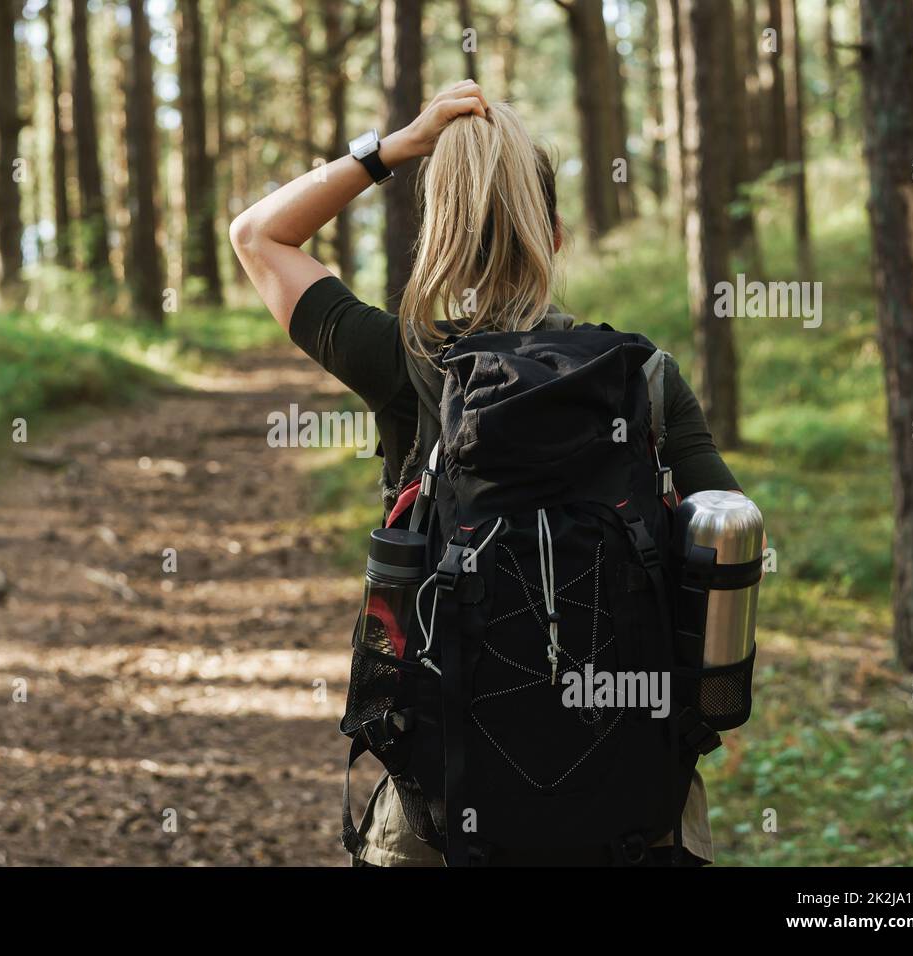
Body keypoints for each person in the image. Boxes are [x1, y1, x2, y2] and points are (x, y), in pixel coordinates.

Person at [230, 81, 740, 866]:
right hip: (639, 803)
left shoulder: (408, 363)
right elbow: (729, 539)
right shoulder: (643, 377)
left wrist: (394, 146)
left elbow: (259, 235)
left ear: (438, 231)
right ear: (557, 234)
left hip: (443, 805)